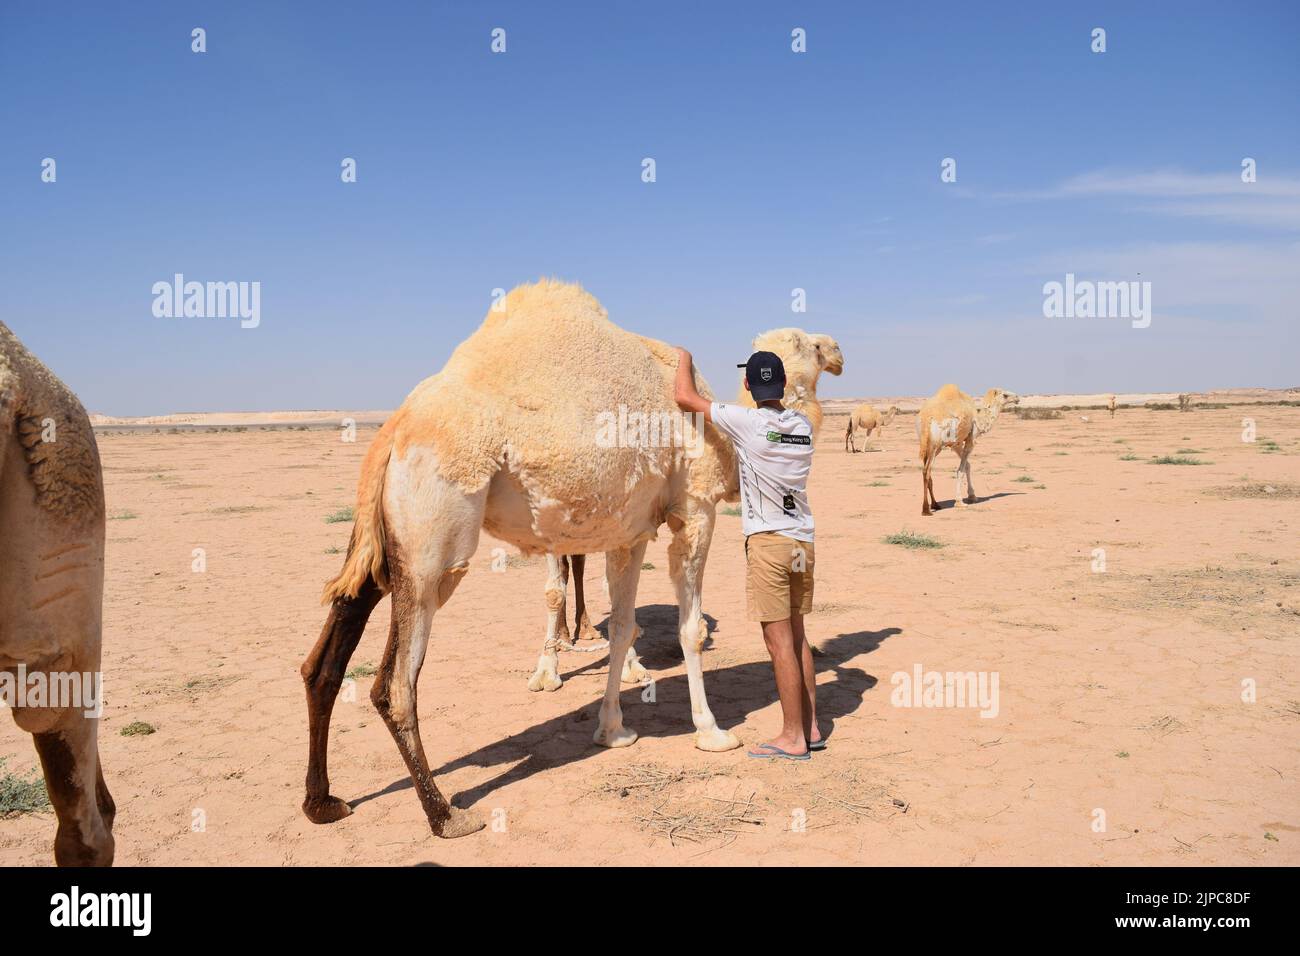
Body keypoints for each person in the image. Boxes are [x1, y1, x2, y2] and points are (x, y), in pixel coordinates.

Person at [673, 347, 822, 759]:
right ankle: (811, 725)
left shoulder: (748, 422)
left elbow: (686, 397)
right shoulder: (803, 425)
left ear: (747, 386)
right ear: (785, 385)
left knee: (778, 646)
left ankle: (793, 738)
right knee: (798, 636)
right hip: (802, 541)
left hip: (769, 543)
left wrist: (683, 356)